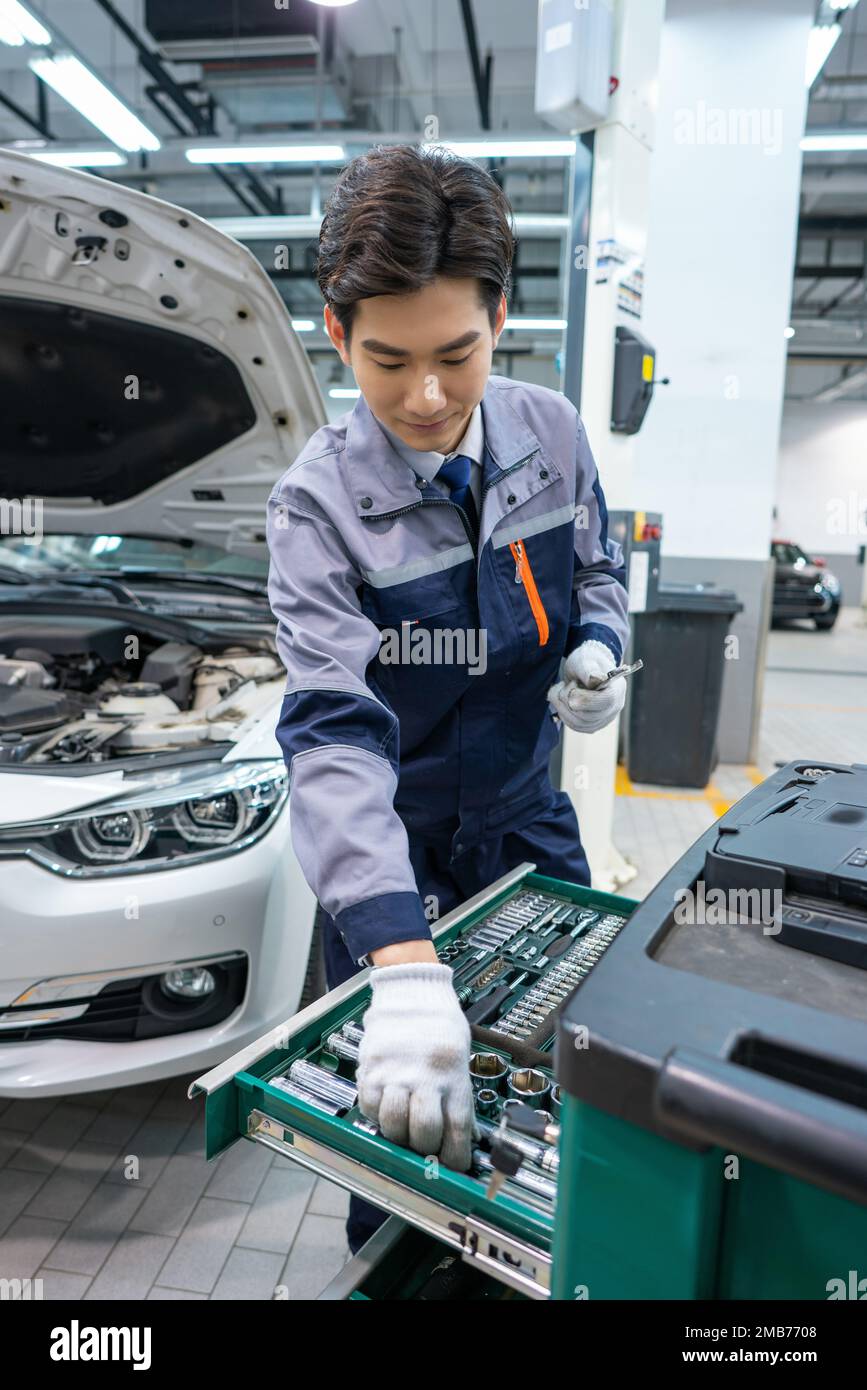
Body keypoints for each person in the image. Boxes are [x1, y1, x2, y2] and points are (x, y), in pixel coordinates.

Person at [265, 143, 630, 1254]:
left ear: (501, 316)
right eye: (387, 362)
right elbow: (332, 736)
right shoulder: (314, 510)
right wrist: (398, 957)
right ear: (336, 333)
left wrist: (601, 648)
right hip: (397, 855)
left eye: (456, 355)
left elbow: (601, 569)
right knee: (402, 1139)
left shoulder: (553, 436)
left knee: (576, 1102)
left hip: (528, 826)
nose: (425, 397)